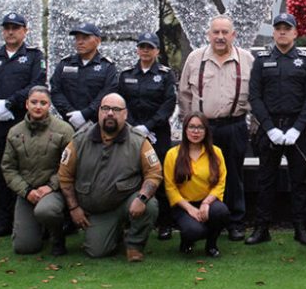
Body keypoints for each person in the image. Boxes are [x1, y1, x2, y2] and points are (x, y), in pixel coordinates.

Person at [45, 93, 162, 261]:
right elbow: (65, 177)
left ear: (125, 114)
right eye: (105, 108)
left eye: (116, 109)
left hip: (124, 203)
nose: (110, 113)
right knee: (97, 251)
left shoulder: (139, 141)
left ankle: (134, 245)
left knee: (150, 205)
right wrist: (74, 208)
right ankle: (115, 234)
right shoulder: (79, 140)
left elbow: (154, 172)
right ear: (99, 112)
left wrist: (142, 198)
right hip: (95, 210)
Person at [178, 15, 254, 241]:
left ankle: (235, 222)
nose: (220, 37)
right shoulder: (195, 58)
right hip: (202, 127)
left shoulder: (247, 59)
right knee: (200, 173)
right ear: (208, 35)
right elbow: (184, 94)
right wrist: (188, 126)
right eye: (216, 32)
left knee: (233, 176)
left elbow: (256, 95)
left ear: (234, 35)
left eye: (225, 32)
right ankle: (199, 218)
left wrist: (255, 128)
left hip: (234, 125)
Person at [247, 13, 306, 246]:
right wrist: (269, 128)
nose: (282, 32)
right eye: (278, 28)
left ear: (295, 33)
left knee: (299, 180)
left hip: (296, 129)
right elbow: (255, 96)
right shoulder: (261, 60)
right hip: (269, 128)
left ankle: (300, 228)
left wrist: (298, 128)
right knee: (265, 179)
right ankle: (262, 228)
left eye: (287, 28)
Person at [0, 12, 47, 240]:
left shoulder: (34, 56)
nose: (10, 32)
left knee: (28, 170)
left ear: (25, 31)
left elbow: (37, 84)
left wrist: (9, 102)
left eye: (15, 28)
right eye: (7, 28)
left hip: (23, 122)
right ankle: (3, 222)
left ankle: (29, 223)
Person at [0, 86, 73, 255]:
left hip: (54, 190)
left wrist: (51, 186)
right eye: (34, 102)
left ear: (49, 105)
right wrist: (26, 191)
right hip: (27, 191)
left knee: (45, 211)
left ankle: (57, 236)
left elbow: (69, 166)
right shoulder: (15, 132)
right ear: (26, 104)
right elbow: (8, 167)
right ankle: (38, 229)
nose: (38, 106)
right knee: (24, 247)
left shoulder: (64, 130)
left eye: (43, 103)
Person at [118, 31, 177, 240]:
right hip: (131, 132)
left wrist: (149, 126)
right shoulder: (126, 74)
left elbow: (168, 103)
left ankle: (164, 223)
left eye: (149, 47)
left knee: (159, 175)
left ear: (157, 51)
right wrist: (134, 127)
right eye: (142, 46)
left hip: (157, 133)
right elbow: (122, 102)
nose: (145, 50)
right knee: (132, 174)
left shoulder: (165, 74)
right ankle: (131, 220)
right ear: (137, 49)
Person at [164, 112, 229, 258]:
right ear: (185, 129)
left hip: (208, 202)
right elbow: (170, 188)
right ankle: (187, 240)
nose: (195, 131)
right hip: (183, 205)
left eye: (200, 127)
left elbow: (221, 182)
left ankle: (211, 244)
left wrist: (206, 203)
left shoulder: (216, 153)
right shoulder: (172, 154)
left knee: (221, 212)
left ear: (206, 131)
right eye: (191, 127)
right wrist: (190, 209)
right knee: (194, 231)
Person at [50, 22, 118, 131]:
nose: (80, 42)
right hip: (68, 125)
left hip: (97, 125)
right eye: (77, 38)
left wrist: (85, 114)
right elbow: (56, 90)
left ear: (98, 41)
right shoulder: (65, 64)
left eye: (85, 38)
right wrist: (71, 115)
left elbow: (107, 93)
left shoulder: (107, 66)